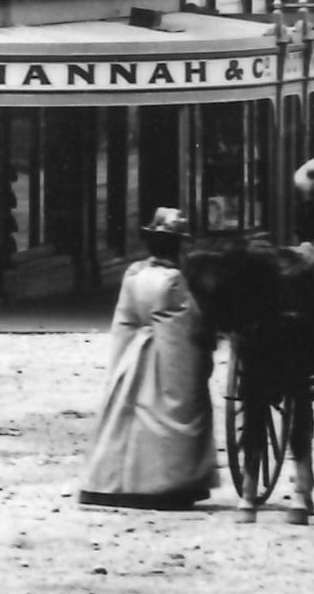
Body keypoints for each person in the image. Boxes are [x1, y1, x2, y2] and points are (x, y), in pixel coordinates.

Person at [79, 207, 213, 510]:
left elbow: (123, 320)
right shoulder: (174, 281)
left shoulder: (134, 274)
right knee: (172, 407)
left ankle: (114, 480)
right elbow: (187, 330)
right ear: (177, 246)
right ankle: (165, 482)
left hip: (133, 354)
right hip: (165, 356)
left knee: (127, 410)